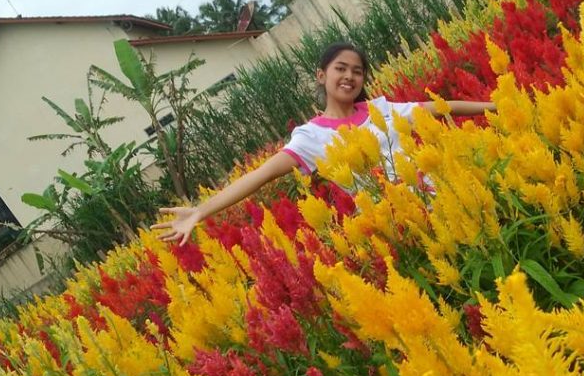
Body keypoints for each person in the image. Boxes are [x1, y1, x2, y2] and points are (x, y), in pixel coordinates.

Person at [154, 42, 496, 245]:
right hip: (395, 227)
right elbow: (260, 175)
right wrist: (201, 211)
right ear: (322, 75)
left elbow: (440, 107)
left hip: (447, 201)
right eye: (340, 68)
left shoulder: (382, 109)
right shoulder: (310, 137)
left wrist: (498, 106)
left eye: (357, 71)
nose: (350, 76)